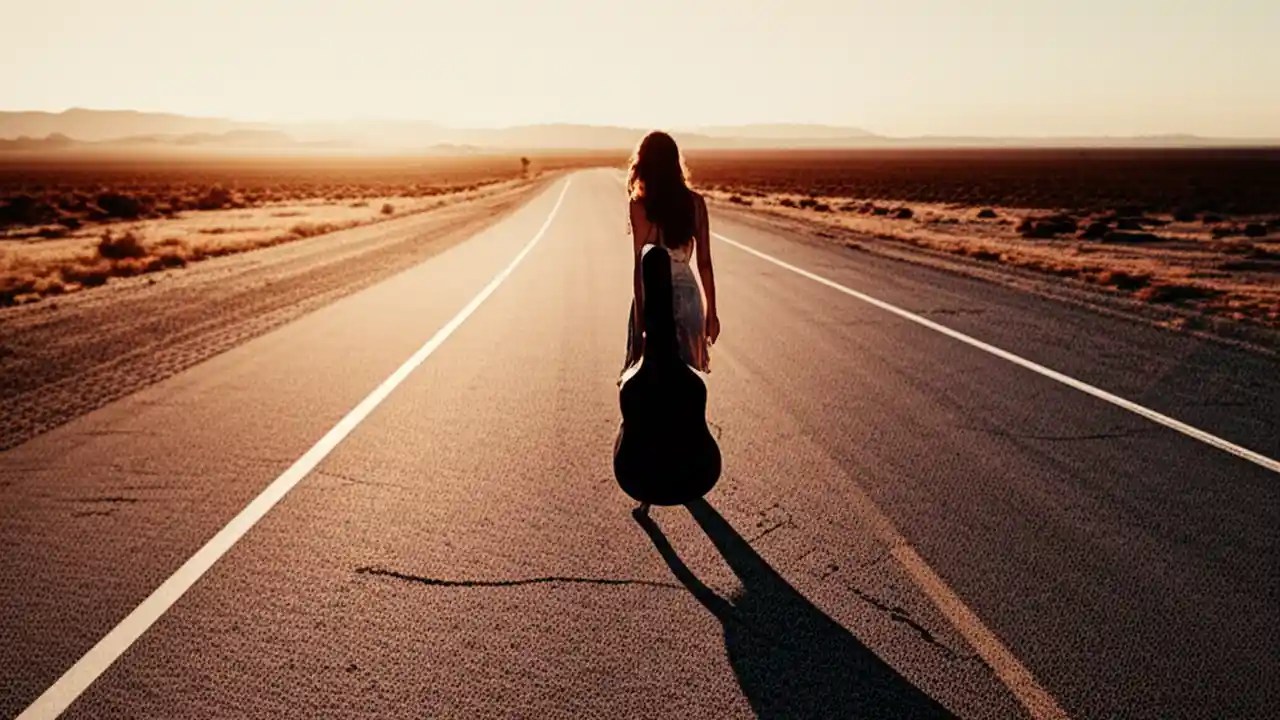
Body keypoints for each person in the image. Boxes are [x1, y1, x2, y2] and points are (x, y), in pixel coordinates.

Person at [622, 131, 719, 375]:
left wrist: (640, 318)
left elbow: (639, 267)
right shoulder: (695, 203)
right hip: (688, 299)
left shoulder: (639, 206)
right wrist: (712, 314)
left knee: (640, 378)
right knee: (690, 382)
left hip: (654, 299)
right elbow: (704, 263)